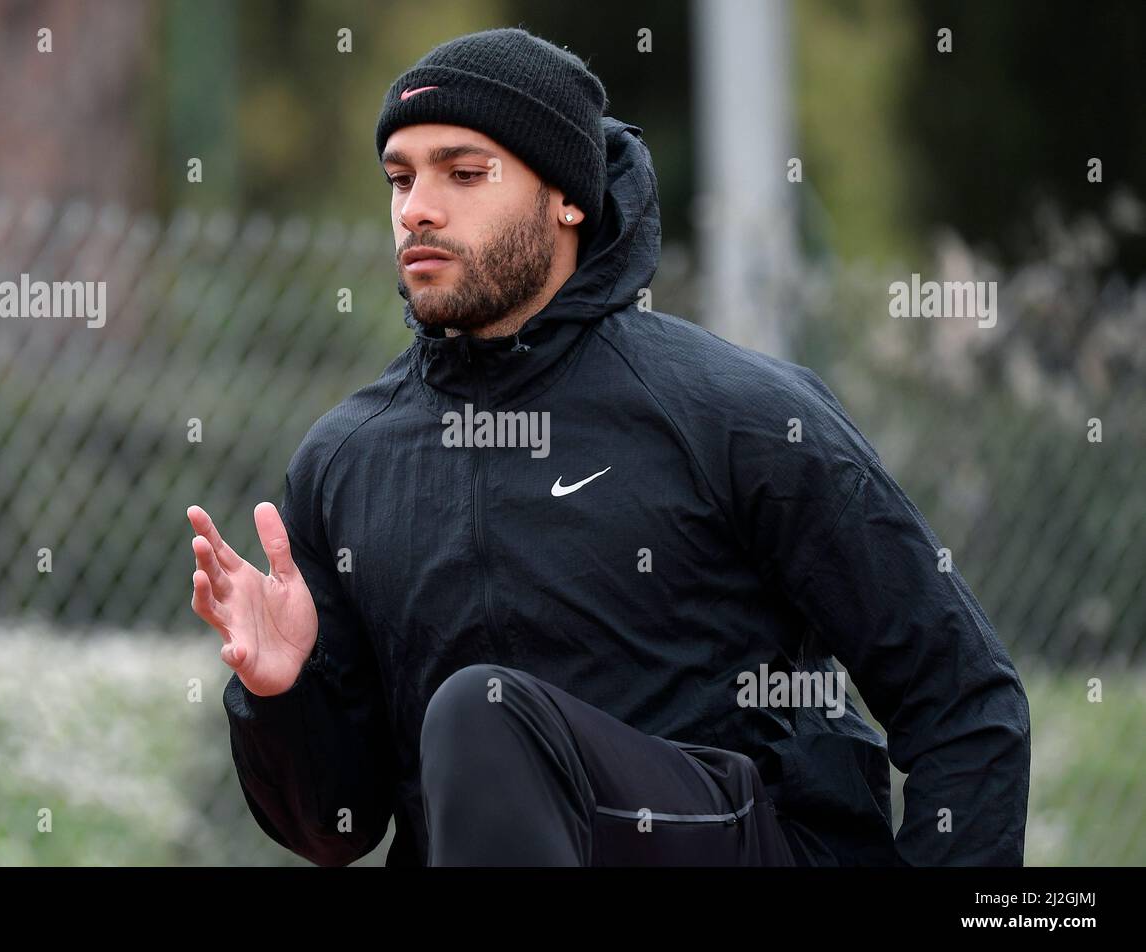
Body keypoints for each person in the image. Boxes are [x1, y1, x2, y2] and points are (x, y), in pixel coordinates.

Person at [188, 27, 1031, 867]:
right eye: (400, 180)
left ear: (568, 198)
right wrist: (284, 696)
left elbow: (964, 701)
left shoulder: (737, 413)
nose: (417, 209)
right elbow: (337, 828)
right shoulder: (348, 461)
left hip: (754, 845)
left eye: (464, 172)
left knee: (482, 712)